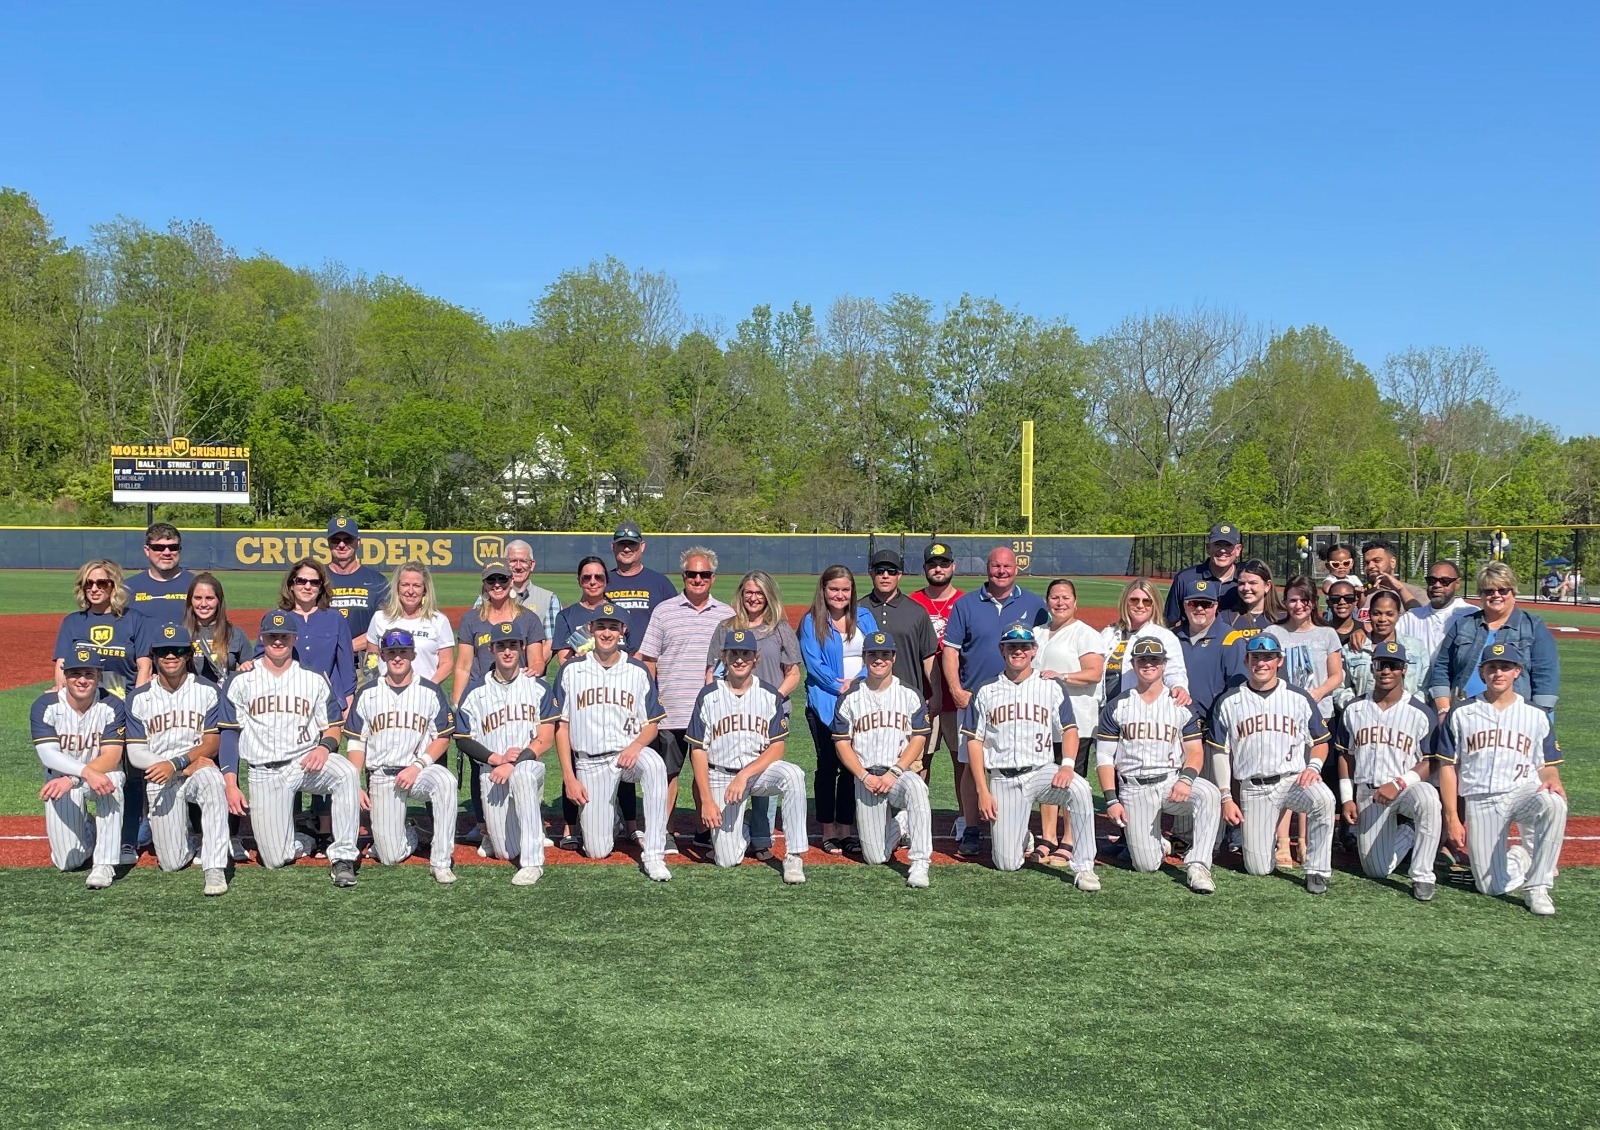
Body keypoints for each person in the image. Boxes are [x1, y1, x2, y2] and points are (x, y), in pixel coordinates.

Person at [219, 610, 361, 887]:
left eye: (284, 635)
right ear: (262, 638)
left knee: (346, 773)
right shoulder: (241, 680)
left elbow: (333, 725)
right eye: (272, 635)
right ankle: (303, 838)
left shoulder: (314, 678)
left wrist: (324, 748)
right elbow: (229, 734)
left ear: (295, 638)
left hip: (304, 761)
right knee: (274, 859)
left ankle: (343, 856)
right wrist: (231, 783)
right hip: (264, 772)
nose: (278, 641)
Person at [964, 624, 1100, 891]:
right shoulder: (986, 690)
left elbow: (1070, 730)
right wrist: (982, 790)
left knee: (1080, 788)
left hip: (1041, 771)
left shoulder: (1050, 686)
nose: (1018, 651)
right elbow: (975, 742)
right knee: (1007, 862)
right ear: (1002, 650)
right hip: (1003, 778)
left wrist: (1068, 766)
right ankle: (1019, 836)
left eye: (1024, 647)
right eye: (1012, 646)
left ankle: (1084, 867)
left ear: (1034, 650)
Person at [1438, 641, 1568, 916]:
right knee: (1490, 886)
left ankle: (1538, 886)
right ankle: (1523, 857)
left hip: (1522, 792)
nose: (1499, 673)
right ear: (1482, 672)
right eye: (1492, 667)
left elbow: (1546, 765)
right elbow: (1448, 767)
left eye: (1505, 667)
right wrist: (1452, 816)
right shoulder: (1460, 712)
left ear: (1517, 672)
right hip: (1481, 800)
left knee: (1555, 802)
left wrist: (1553, 779)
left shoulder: (1536, 714)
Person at [551, 603, 672, 881]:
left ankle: (654, 854)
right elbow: (562, 726)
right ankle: (611, 820)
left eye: (614, 627)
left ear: (623, 631)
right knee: (596, 850)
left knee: (654, 765)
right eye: (602, 626)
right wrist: (569, 777)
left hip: (628, 755)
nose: (607, 632)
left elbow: (652, 724)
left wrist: (637, 745)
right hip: (591, 762)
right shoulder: (572, 669)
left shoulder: (637, 670)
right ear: (591, 629)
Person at [940, 546, 1047, 855]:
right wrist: (957, 690)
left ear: (1017, 568)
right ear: (987, 568)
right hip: (975, 699)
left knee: (1018, 765)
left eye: (1007, 566)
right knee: (971, 767)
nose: (1002, 571)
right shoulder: (966, 604)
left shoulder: (1034, 603)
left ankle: (1020, 826)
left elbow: (1044, 645)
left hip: (1018, 701)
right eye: (996, 566)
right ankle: (971, 827)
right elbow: (951, 651)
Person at [1208, 635, 1333, 894]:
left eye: (1268, 657)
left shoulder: (1298, 697)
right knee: (1258, 868)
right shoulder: (1229, 701)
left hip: (1293, 780)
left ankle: (1318, 870)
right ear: (1247, 660)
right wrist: (1225, 796)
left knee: (1324, 800)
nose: (1262, 663)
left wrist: (1314, 767)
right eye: (1256, 658)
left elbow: (1321, 741)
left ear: (1279, 660)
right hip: (1254, 788)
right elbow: (1220, 752)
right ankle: (1266, 848)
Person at [1094, 637, 1221, 894]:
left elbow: (1195, 751)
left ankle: (1198, 865)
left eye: (1155, 660)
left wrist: (1186, 779)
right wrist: (1110, 799)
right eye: (1143, 660)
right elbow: (1105, 758)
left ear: (1164, 665)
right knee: (1146, 865)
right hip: (1134, 789)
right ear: (1134, 664)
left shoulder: (1180, 705)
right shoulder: (1117, 705)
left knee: (1209, 793)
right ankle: (1159, 845)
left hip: (1170, 783)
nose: (1149, 664)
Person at [686, 628, 809, 885]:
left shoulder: (769, 695)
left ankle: (794, 855)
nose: (739, 659)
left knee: (794, 774)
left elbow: (777, 748)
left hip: (757, 774)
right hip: (720, 774)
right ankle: (741, 829)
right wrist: (706, 800)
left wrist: (744, 775)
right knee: (727, 860)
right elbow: (697, 749)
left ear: (756, 658)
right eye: (734, 654)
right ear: (724, 657)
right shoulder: (708, 695)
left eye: (746, 654)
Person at [636, 547, 734, 850]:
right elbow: (649, 659)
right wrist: (653, 700)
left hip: (712, 710)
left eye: (704, 574)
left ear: (713, 577)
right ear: (684, 576)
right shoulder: (664, 610)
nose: (698, 579)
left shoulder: (727, 615)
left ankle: (704, 829)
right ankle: (664, 829)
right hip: (672, 707)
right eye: (692, 573)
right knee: (668, 773)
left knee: (708, 770)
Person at [343, 628, 459, 884]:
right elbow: (356, 741)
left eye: (403, 652)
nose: (397, 658)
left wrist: (419, 765)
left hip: (420, 771)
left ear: (413, 654)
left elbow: (443, 737)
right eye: (392, 652)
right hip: (382, 776)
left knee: (446, 782)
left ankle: (441, 860)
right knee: (389, 855)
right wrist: (355, 782)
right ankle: (410, 832)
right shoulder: (367, 692)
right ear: (382, 655)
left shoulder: (430, 690)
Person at [1333, 641, 1444, 902]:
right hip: (1368, 793)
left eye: (1393, 665)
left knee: (1428, 798)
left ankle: (1423, 874)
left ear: (1404, 669)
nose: (1386, 671)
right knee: (1376, 870)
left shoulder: (1420, 711)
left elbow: (1430, 761)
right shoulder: (1354, 709)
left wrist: (1400, 783)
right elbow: (1345, 756)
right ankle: (1409, 832)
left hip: (1406, 789)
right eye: (1380, 665)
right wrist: (1347, 798)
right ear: (1372, 668)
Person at [705, 570, 802, 861]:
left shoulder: (780, 628)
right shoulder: (725, 627)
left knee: (765, 770)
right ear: (741, 594)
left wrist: (773, 699)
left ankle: (760, 836)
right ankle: (733, 828)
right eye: (749, 592)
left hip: (768, 713)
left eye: (759, 592)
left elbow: (793, 672)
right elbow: (711, 670)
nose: (753, 597)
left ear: (768, 595)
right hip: (731, 714)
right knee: (729, 767)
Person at [125, 625, 229, 895]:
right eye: (163, 651)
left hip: (195, 769)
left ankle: (215, 867)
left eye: (178, 650)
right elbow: (135, 752)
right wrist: (174, 766)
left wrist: (179, 764)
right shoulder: (138, 698)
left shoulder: (207, 690)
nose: (171, 656)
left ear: (188, 655)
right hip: (161, 774)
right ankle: (191, 842)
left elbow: (212, 743)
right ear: (155, 656)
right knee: (171, 863)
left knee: (213, 782)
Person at [455, 621, 558, 886]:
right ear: (492, 649)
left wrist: (515, 761)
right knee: (504, 852)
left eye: (513, 645)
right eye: (502, 646)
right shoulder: (476, 690)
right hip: (493, 772)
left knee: (522, 776)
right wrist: (498, 759)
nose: (508, 651)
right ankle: (497, 834)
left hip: (528, 764)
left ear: (522, 648)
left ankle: (533, 862)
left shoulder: (537, 687)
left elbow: (545, 740)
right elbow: (463, 739)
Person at [831, 631, 934, 888]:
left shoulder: (910, 694)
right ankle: (901, 823)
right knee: (875, 857)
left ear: (894, 657)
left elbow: (918, 739)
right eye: (873, 654)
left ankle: (920, 863)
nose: (879, 660)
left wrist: (895, 772)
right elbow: (842, 743)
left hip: (898, 773)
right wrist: (863, 776)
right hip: (866, 777)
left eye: (885, 654)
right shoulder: (850, 697)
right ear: (865, 658)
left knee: (918, 788)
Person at [30, 645, 126, 889]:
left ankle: (104, 865)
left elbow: (112, 756)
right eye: (75, 673)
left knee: (112, 781)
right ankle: (90, 828)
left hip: (96, 776)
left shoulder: (112, 705)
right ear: (64, 675)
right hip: (61, 782)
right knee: (68, 861)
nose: (82, 680)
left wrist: (75, 778)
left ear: (98, 676)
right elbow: (47, 755)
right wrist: (80, 775)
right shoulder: (46, 705)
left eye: (89, 674)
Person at [798, 565, 879, 855]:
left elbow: (876, 653)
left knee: (851, 767)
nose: (840, 595)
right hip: (825, 703)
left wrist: (858, 683)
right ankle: (828, 828)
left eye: (845, 589)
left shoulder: (865, 617)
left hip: (860, 702)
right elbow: (813, 663)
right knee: (828, 765)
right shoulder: (811, 622)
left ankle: (846, 828)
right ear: (824, 590)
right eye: (834, 589)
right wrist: (839, 685)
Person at [1267, 575, 1345, 866]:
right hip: (1283, 716)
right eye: (1293, 599)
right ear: (1285, 601)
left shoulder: (1326, 635)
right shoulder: (1274, 631)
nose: (1298, 605)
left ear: (1314, 602)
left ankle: (1306, 841)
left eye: (1304, 599)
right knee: (1286, 776)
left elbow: (1337, 675)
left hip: (1318, 714)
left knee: (1310, 777)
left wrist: (1317, 693)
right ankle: (1283, 842)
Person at [1031, 579, 1105, 866]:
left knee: (1073, 780)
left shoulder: (1085, 634)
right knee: (1047, 778)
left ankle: (1069, 839)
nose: (1059, 603)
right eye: (1054, 597)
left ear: (1075, 602)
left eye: (1065, 598)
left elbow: (1094, 673)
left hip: (1078, 719)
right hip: (1042, 722)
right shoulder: (1038, 633)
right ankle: (1048, 836)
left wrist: (1061, 676)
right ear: (1047, 601)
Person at [1427, 562, 1559, 717]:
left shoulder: (1532, 626)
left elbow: (1546, 676)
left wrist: (1540, 718)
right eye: (1489, 591)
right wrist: (1444, 711)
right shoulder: (1464, 625)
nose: (1496, 595)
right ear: (1481, 594)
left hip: (1517, 717)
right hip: (1465, 715)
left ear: (1513, 592)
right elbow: (1441, 669)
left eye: (1503, 590)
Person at [906, 541, 971, 838]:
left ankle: (963, 816)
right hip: (923, 697)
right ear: (925, 569)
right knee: (921, 760)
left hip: (957, 696)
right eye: (933, 564)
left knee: (962, 760)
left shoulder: (966, 602)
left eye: (944, 564)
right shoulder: (912, 602)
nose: (938, 569)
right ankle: (916, 817)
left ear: (953, 567)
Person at [54, 559, 149, 697]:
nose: (94, 589)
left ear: (113, 585)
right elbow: (61, 667)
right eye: (88, 583)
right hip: (84, 703)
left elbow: (144, 666)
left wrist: (137, 701)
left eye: (101, 583)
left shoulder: (134, 619)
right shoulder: (72, 622)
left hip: (124, 702)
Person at [454, 560, 547, 697]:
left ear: (511, 581)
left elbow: (537, 661)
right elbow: (463, 667)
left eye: (502, 579)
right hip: (481, 695)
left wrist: (530, 675)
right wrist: (457, 702)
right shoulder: (471, 619)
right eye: (491, 580)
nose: (497, 584)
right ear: (484, 585)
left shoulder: (529, 618)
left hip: (518, 693)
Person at [275, 557, 357, 709]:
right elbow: (261, 658)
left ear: (321, 587)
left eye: (314, 582)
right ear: (291, 585)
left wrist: (348, 697)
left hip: (329, 701)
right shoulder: (278, 618)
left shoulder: (335, 618)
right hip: (288, 700)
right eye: (301, 581)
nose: (307, 586)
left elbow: (346, 663)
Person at [860, 549, 939, 705]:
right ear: (871, 573)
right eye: (880, 571)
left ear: (899, 575)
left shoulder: (916, 611)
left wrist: (937, 694)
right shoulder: (858, 610)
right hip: (865, 697)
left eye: (891, 571)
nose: (885, 576)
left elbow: (929, 658)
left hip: (908, 698)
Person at [323, 516, 390, 689]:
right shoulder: (315, 579)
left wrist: (345, 646)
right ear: (328, 543)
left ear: (358, 542)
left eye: (348, 539)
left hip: (365, 664)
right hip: (325, 664)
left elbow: (385, 627)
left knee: (366, 713)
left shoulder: (377, 582)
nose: (342, 545)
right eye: (336, 540)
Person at [1171, 575, 1247, 724]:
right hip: (1174, 722)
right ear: (1185, 605)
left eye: (1206, 604)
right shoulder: (1171, 637)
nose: (1199, 608)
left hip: (1211, 726)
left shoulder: (1231, 639)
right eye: (1194, 603)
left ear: (1216, 606)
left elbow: (1237, 690)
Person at [1098, 578, 1189, 702]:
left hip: (1139, 708)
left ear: (1154, 605)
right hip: (1105, 708)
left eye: (1147, 601)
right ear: (1125, 602)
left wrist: (1178, 686)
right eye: (1134, 600)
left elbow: (1175, 671)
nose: (1140, 605)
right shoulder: (1109, 633)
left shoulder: (1164, 636)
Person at [365, 562, 456, 684]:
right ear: (397, 587)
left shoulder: (439, 621)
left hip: (424, 695)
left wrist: (428, 687)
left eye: (417, 585)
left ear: (425, 589)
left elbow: (447, 663)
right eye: (405, 585)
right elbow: (372, 658)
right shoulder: (380, 618)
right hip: (386, 694)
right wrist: (377, 686)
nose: (410, 591)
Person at [1337, 590, 1427, 707]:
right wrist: (1357, 707)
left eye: (1389, 614)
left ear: (1398, 615)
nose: (1382, 619)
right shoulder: (1353, 649)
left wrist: (1409, 709)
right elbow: (1340, 688)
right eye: (1377, 613)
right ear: (1369, 614)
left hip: (1406, 719)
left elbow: (1425, 687)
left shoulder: (1415, 648)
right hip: (1363, 719)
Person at [553, 557, 634, 664]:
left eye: (598, 577)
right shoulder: (565, 616)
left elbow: (633, 653)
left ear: (606, 581)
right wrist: (576, 661)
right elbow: (564, 660)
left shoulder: (622, 614)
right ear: (579, 581)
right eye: (586, 578)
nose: (592, 582)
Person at [1396, 559, 1475, 669]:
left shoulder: (1472, 615)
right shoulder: (1411, 618)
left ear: (1457, 584)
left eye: (1445, 581)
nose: (1437, 585)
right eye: (1432, 580)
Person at [604, 520, 678, 637]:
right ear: (613, 547)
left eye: (632, 544)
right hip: (610, 654)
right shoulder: (601, 581)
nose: (627, 549)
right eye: (622, 544)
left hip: (648, 654)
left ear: (642, 546)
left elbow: (675, 624)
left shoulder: (660, 583)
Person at [490, 539, 563, 656]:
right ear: (504, 564)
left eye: (523, 561)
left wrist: (530, 670)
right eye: (513, 561)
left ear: (532, 564)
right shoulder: (487, 597)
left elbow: (551, 642)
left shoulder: (549, 599)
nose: (518, 566)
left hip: (532, 672)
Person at [1163, 522, 1242, 629]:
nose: (1222, 550)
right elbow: (1170, 621)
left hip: (1235, 641)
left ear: (1238, 550)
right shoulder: (1185, 578)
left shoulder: (1246, 582)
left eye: (1228, 545)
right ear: (1208, 548)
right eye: (1217, 544)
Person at [122, 521, 194, 628]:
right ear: (147, 550)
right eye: (159, 548)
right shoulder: (127, 588)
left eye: (173, 547)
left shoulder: (196, 584)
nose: (166, 553)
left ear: (180, 549)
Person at [184, 572, 251, 685]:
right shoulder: (182, 633)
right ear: (191, 600)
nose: (203, 604)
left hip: (224, 697)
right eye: (198, 598)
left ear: (218, 600)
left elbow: (251, 668)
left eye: (209, 598)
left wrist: (247, 667)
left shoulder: (234, 634)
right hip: (190, 700)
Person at [1221, 559, 1282, 641]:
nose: (1246, 588)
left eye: (1253, 583)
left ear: (1267, 586)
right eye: (1241, 583)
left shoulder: (1283, 617)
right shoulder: (1226, 618)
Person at [1361, 538, 1425, 611]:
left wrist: (1401, 589)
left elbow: (1421, 619)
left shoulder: (1415, 593)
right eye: (1366, 563)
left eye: (1377, 561)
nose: (1370, 566)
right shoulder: (1359, 594)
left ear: (1392, 562)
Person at [1323, 579, 1366, 650]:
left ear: (1355, 601)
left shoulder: (1366, 630)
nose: (1342, 602)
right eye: (1335, 598)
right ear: (1328, 603)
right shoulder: (1321, 632)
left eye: (1348, 598)